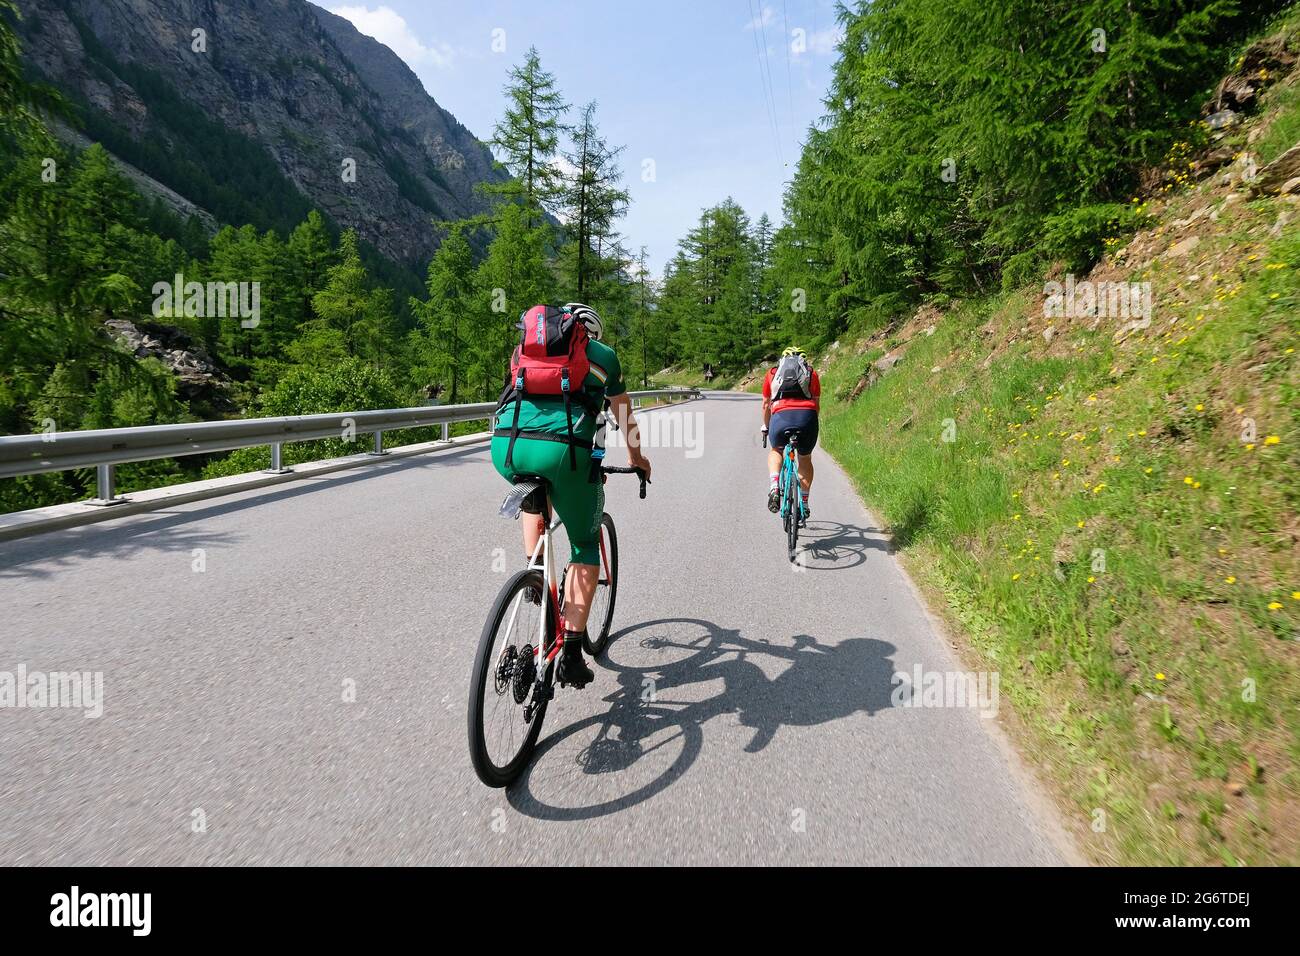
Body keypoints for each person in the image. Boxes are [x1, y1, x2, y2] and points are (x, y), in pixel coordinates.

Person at [491, 303, 652, 689]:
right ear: (589, 334)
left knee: (536, 500)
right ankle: (573, 656)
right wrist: (639, 460)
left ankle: (537, 577)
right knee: (583, 545)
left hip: (507, 448)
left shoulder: (524, 351)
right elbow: (623, 420)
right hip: (563, 454)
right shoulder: (603, 359)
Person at [761, 346, 820, 519]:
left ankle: (774, 487)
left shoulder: (772, 373)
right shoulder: (811, 374)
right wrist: (809, 423)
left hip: (780, 417)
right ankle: (805, 501)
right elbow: (816, 405)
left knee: (776, 450)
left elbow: (765, 404)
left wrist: (766, 425)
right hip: (807, 417)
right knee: (805, 457)